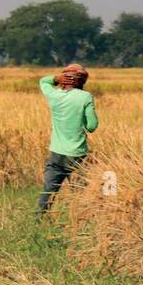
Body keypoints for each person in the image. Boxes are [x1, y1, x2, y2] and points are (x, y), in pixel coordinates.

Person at [37, 63, 98, 214]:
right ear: (82, 81)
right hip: (77, 155)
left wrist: (56, 79)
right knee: (79, 193)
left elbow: (43, 81)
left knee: (48, 191)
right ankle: (79, 223)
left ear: (64, 80)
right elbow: (92, 126)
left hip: (56, 152)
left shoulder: (54, 95)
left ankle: (39, 221)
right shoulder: (85, 97)